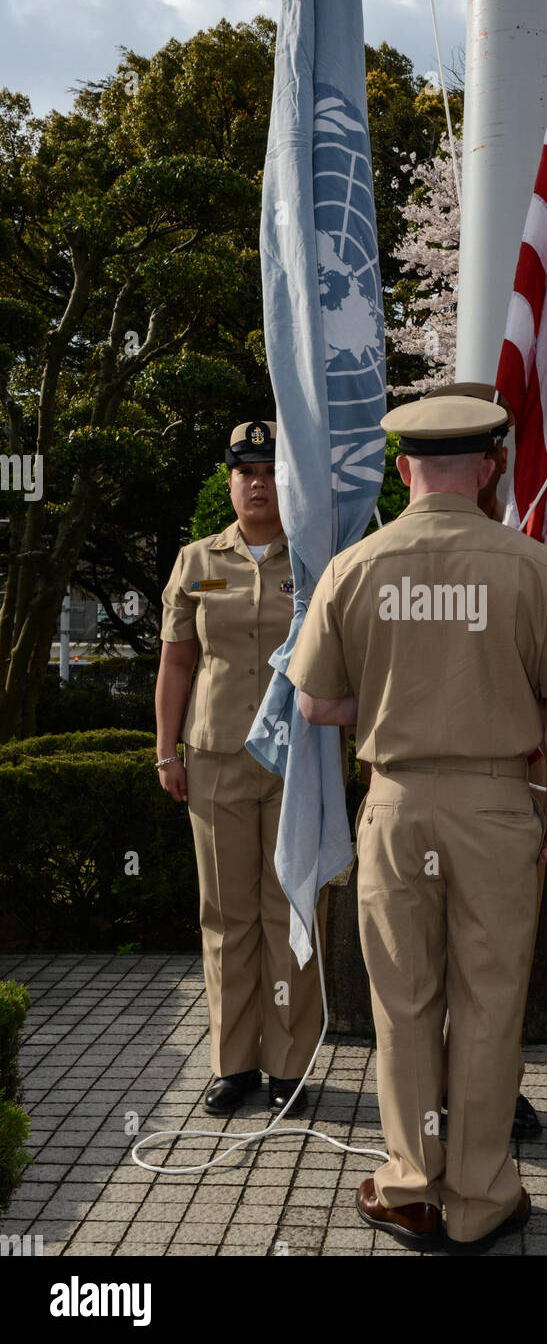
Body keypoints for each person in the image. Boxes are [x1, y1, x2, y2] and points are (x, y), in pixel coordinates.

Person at [287, 394, 547, 1254]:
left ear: (404, 471)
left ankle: (408, 1188)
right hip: (497, 805)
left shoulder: (355, 565)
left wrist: (393, 701)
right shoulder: (533, 565)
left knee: (402, 1004)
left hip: (395, 804)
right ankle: (478, 1195)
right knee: (490, 1001)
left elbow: (316, 701)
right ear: (489, 466)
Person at [156, 420, 327, 1117]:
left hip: (298, 759)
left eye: (269, 472)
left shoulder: (318, 560)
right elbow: (176, 662)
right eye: (245, 473)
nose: (257, 484)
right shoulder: (197, 561)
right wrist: (167, 749)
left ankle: (289, 1065)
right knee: (227, 914)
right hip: (218, 756)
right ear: (229, 483)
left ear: (286, 482)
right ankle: (234, 1064)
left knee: (290, 906)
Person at [429, 380, 544, 1142]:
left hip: (503, 775)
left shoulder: (524, 547)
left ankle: (494, 1088)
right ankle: (439, 1098)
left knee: (494, 961)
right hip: (428, 782)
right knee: (430, 964)